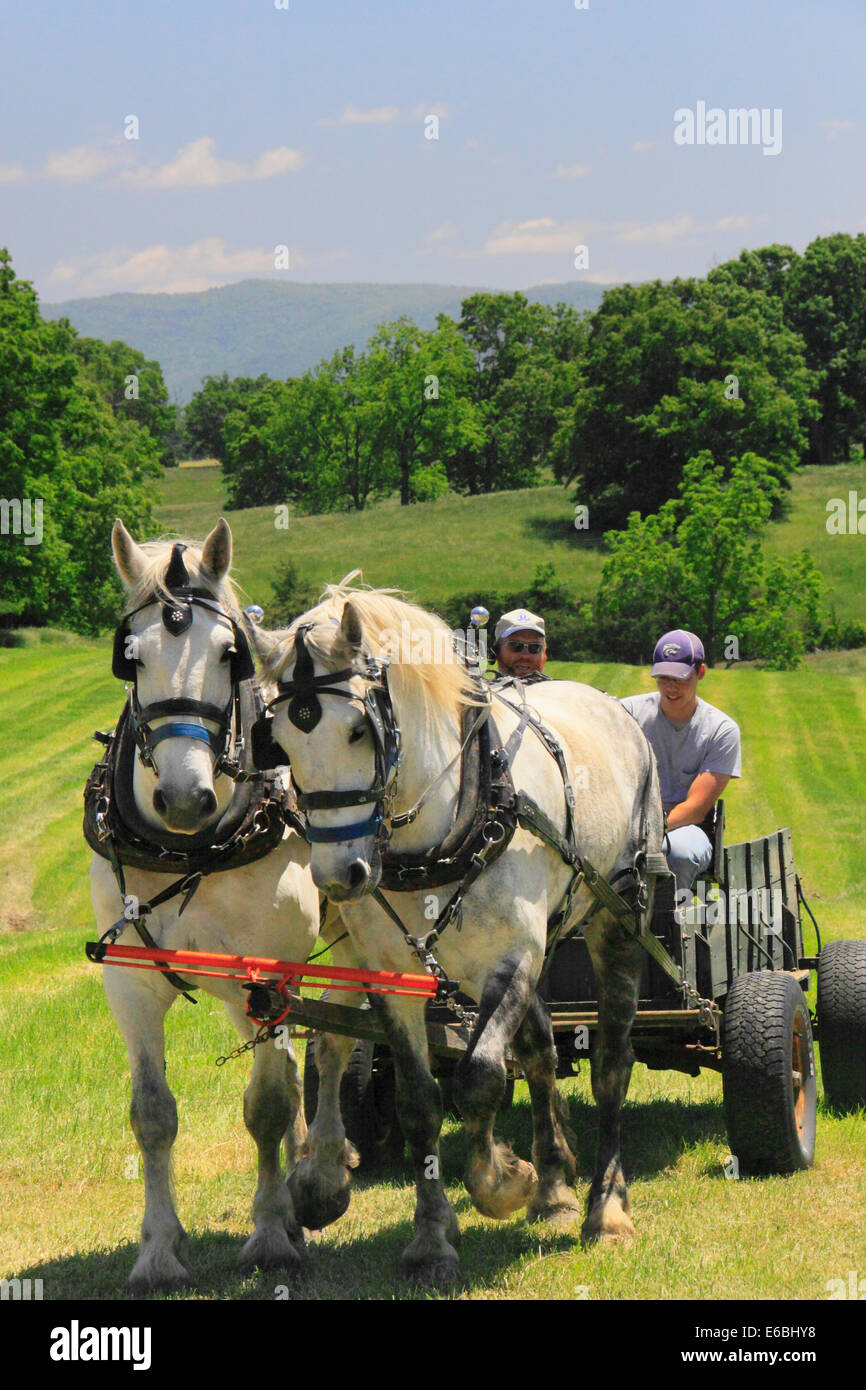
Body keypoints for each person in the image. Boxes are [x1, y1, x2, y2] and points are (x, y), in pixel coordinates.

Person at [620, 630, 741, 895]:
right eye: (663, 678)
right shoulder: (625, 713)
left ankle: (667, 930)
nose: (670, 687)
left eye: (680, 678)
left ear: (701, 672)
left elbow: (696, 809)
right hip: (625, 824)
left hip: (686, 828)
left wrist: (647, 834)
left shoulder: (721, 730)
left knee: (676, 854)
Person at [490, 608, 552, 685]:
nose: (525, 656)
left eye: (534, 647)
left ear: (544, 652)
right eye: (515, 646)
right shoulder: (480, 695)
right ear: (496, 650)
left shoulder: (561, 695)